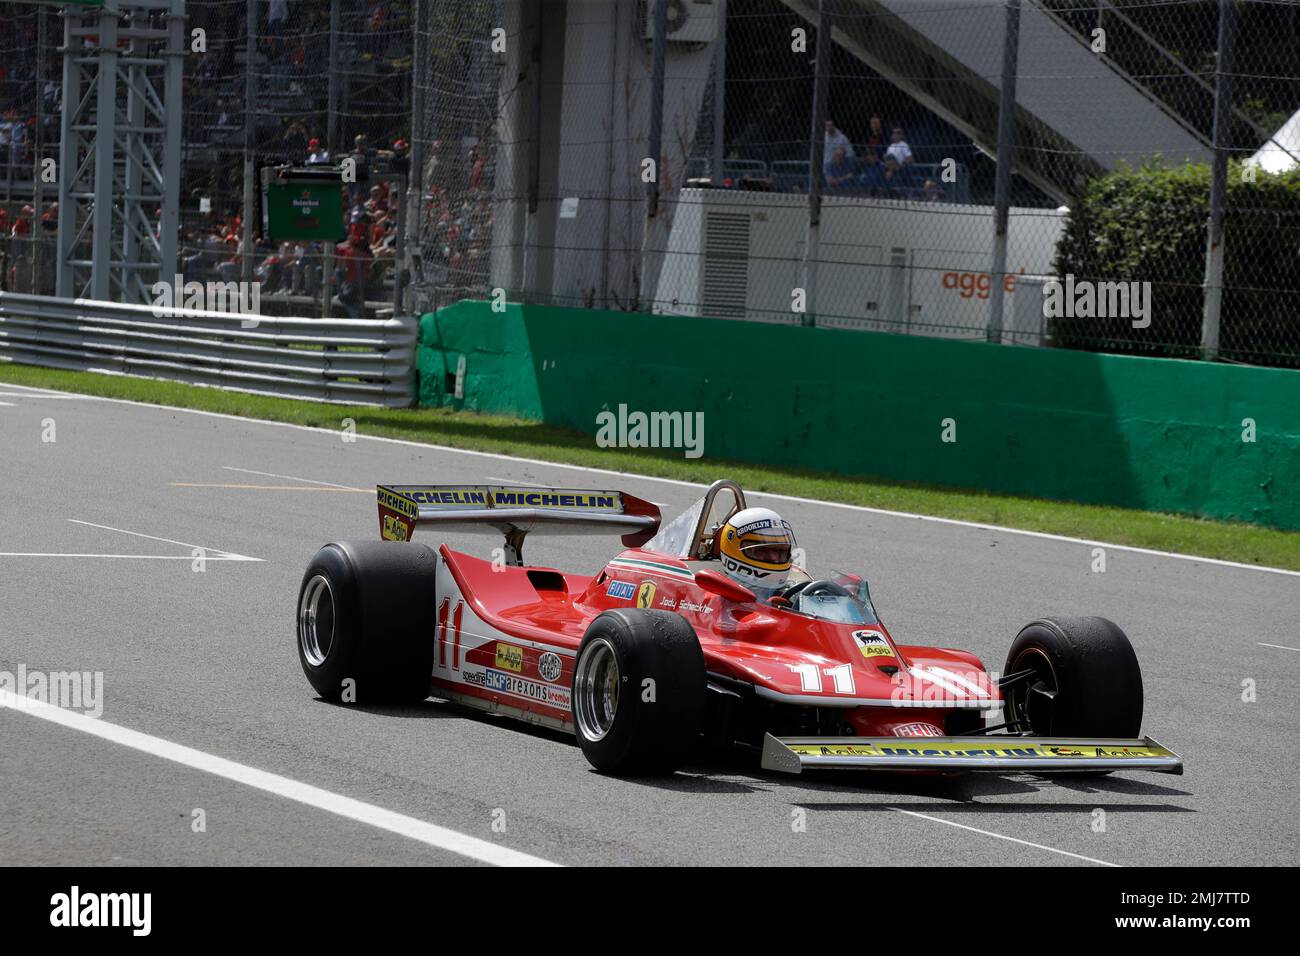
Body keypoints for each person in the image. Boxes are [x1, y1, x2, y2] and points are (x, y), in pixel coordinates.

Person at [716, 507, 797, 597]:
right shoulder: (716, 596)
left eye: (780, 551)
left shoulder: (795, 582)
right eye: (762, 550)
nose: (774, 558)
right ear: (734, 551)